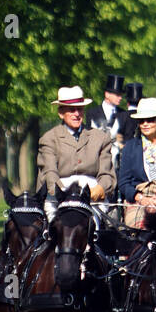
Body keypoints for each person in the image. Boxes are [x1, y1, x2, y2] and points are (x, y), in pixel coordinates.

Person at [36, 85, 115, 215]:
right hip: (57, 197)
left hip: (91, 196)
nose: (77, 114)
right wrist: (64, 194)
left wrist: (100, 189)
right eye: (71, 110)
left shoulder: (100, 138)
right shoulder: (49, 139)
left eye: (80, 109)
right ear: (61, 113)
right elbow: (49, 173)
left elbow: (107, 174)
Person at [86, 73, 130, 139]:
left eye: (121, 95)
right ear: (107, 94)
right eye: (117, 95)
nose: (120, 98)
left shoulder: (124, 114)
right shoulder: (92, 113)